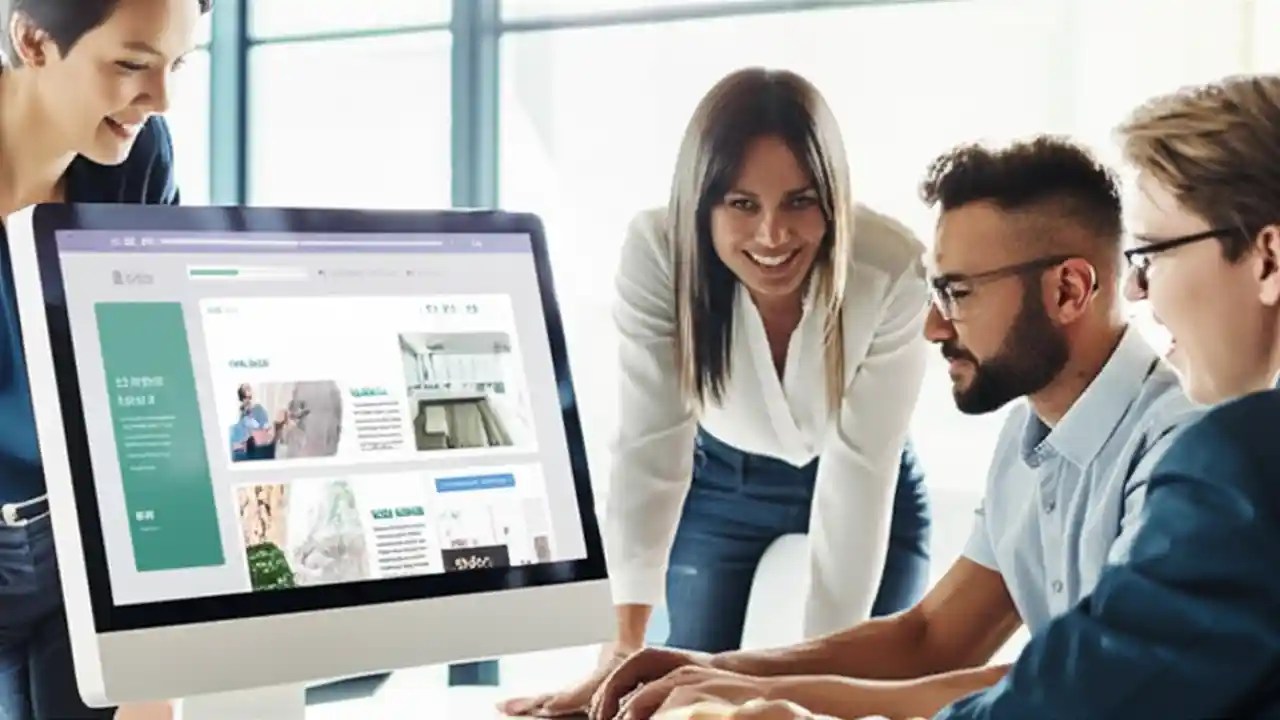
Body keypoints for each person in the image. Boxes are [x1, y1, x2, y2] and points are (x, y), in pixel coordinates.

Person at [585, 136, 1202, 720]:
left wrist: (779, 694)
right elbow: (932, 637)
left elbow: (1090, 681)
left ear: (1069, 290)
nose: (933, 326)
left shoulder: (1186, 452)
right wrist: (716, 669)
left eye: (957, 293)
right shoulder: (1028, 439)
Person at [501, 66, 934, 717]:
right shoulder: (658, 252)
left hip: (871, 482)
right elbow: (650, 447)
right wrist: (620, 650)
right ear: (701, 202)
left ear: (834, 198)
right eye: (742, 204)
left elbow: (860, 473)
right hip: (719, 483)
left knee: (874, 696)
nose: (771, 234)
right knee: (671, 693)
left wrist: (809, 686)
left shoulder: (890, 266)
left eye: (800, 200)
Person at [933, 73, 1280, 720]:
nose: (1140, 291)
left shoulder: (1235, 462)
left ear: (1268, 260)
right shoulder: (1025, 438)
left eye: (1153, 255)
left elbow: (1076, 700)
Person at [0, 0, 209, 718]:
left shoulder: (136, 162)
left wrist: (158, 662)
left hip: (77, 537)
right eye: (132, 65)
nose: (162, 100)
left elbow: (154, 401)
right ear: (32, 39)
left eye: (178, 65)